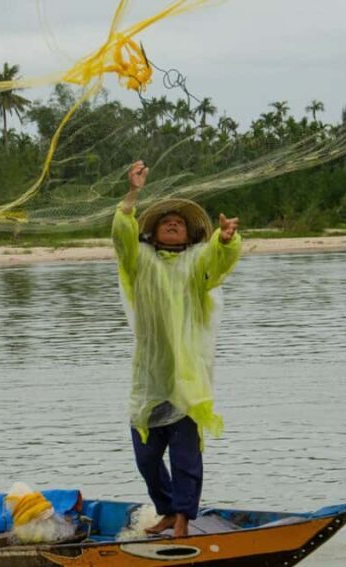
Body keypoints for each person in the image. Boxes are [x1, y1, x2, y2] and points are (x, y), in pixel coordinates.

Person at [112, 161, 241, 537]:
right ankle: (167, 509)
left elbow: (218, 261)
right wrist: (132, 194)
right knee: (147, 457)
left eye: (179, 222)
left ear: (188, 233)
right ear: (152, 231)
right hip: (150, 380)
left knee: (186, 459)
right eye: (165, 221)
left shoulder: (196, 262)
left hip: (187, 381)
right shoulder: (140, 262)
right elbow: (122, 235)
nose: (172, 223)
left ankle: (184, 519)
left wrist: (226, 239)